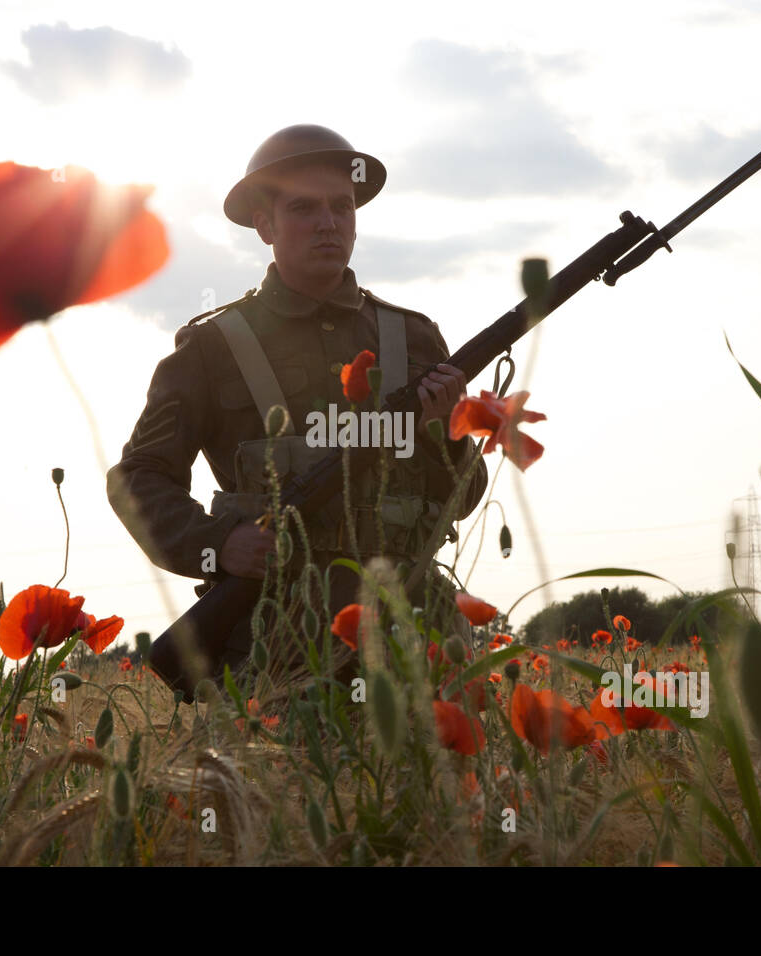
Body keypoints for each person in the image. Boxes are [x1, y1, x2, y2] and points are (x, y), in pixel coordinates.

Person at [106, 124, 488, 681]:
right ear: (265, 224)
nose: (328, 222)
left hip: (411, 635)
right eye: (305, 208)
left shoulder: (414, 338)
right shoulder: (212, 347)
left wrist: (442, 435)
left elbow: (464, 495)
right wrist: (219, 545)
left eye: (342, 206)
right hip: (277, 643)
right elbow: (138, 477)